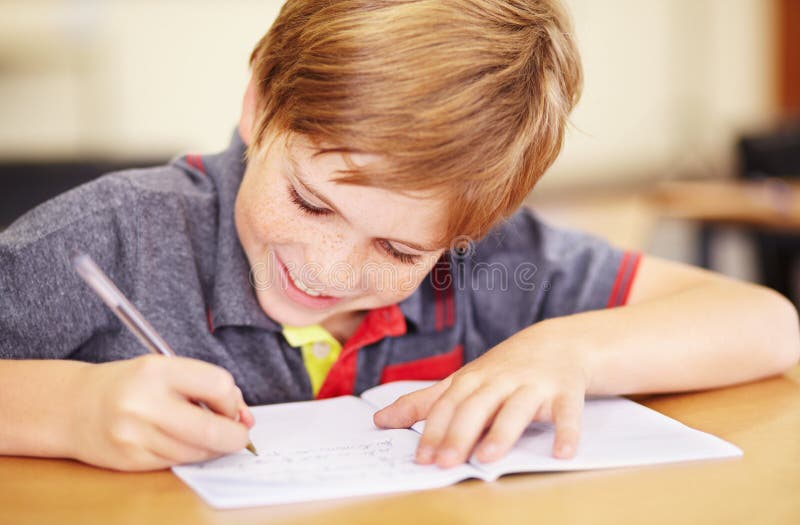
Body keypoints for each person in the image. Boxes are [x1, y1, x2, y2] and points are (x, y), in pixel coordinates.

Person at [0, 0, 797, 472]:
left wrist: (567, 350)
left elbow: (767, 322)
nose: (328, 268)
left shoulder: (490, 265)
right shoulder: (114, 235)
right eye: (310, 202)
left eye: (399, 250)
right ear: (259, 104)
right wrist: (72, 410)